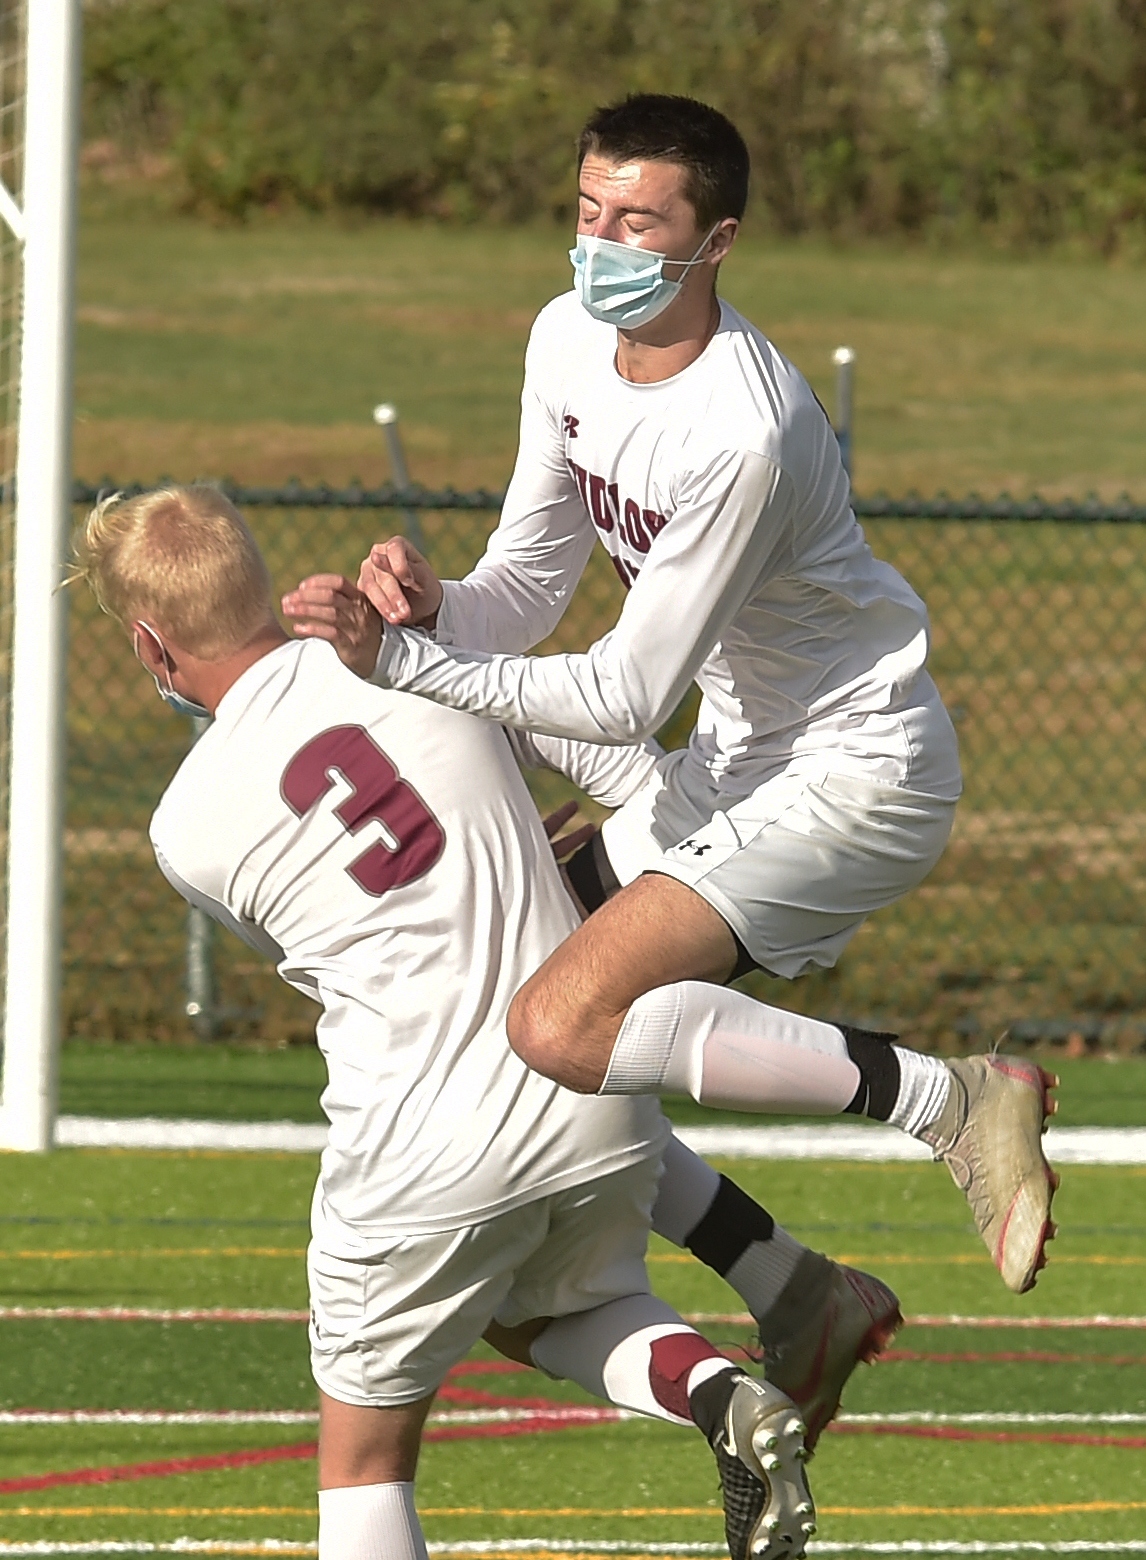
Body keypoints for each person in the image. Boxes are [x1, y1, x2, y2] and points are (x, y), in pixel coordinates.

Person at [282, 93, 1058, 1297]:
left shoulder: (745, 429)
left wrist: (403, 666)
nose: (602, 243)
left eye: (640, 222)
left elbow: (627, 689)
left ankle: (952, 1101)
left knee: (559, 1022)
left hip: (857, 773)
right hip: (735, 763)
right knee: (510, 978)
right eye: (590, 211)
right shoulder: (559, 341)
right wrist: (432, 612)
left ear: (717, 241)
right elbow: (527, 585)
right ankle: (791, 1288)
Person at [72, 483, 832, 1560]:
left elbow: (351, 940)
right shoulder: (416, 661)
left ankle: (746, 1345)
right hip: (596, 1104)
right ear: (258, 577)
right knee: (545, 1313)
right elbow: (586, 769)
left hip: (419, 1140)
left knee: (365, 1463)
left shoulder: (185, 828)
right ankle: (716, 1391)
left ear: (153, 648)